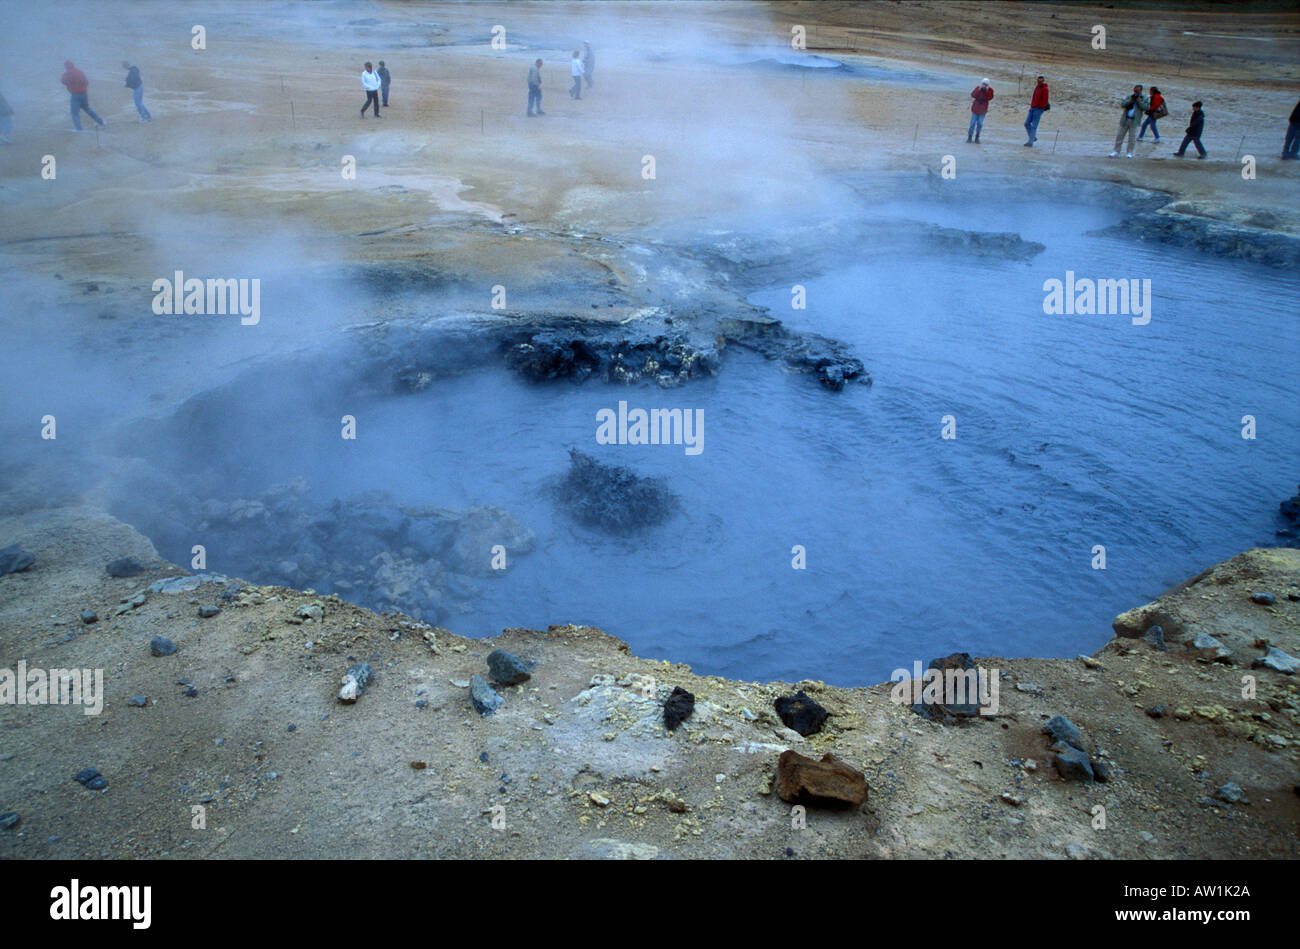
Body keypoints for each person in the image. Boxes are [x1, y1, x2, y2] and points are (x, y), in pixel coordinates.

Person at [61, 60, 105, 131]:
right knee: (87, 109)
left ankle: (79, 129)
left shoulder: (67, 74)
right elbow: (86, 82)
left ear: (66, 66)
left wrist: (71, 84)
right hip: (84, 94)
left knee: (74, 113)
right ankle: (101, 122)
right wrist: (83, 89)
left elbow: (63, 81)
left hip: (75, 95)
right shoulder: (80, 72)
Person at [1109, 84, 1148, 157]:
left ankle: (1129, 152)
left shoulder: (1145, 98)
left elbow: (1146, 107)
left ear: (1141, 91)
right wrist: (1131, 100)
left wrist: (1140, 102)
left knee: (1132, 137)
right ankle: (1116, 151)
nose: (1136, 92)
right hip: (1125, 119)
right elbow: (1123, 104)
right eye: (1135, 90)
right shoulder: (1130, 96)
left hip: (1134, 121)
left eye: (1138, 90)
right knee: (1120, 136)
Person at [1023, 75, 1048, 146]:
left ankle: (1030, 142)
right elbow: (1034, 97)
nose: (1039, 82)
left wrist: (1040, 108)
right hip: (1033, 108)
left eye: (1041, 81)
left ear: (1043, 81)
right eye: (1038, 81)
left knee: (1034, 126)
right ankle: (1033, 137)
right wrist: (1032, 106)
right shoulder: (1037, 87)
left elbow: (1045, 101)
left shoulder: (1045, 89)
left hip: (1039, 109)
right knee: (1026, 123)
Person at [967, 78, 993, 143]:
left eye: (986, 84)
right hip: (975, 109)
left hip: (983, 110)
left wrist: (987, 90)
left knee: (980, 124)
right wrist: (979, 89)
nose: (984, 85)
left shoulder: (990, 90)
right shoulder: (978, 88)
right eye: (983, 84)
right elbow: (973, 95)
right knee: (972, 124)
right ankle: (969, 137)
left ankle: (977, 137)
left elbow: (990, 97)